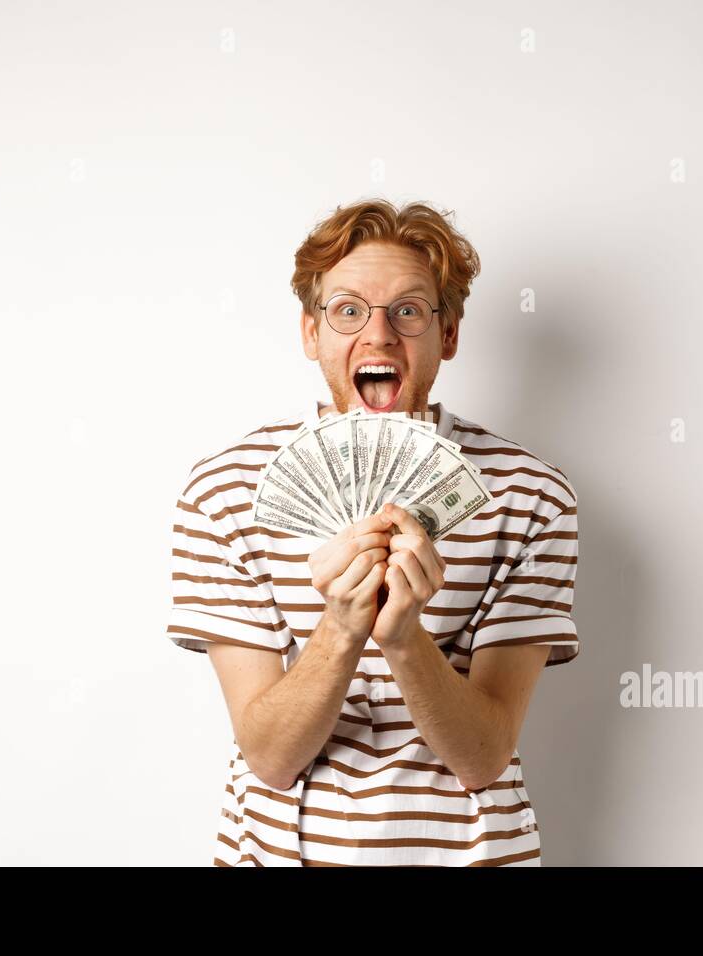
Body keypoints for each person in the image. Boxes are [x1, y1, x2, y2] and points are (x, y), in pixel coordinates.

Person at [166, 198, 580, 865]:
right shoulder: (224, 492)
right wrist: (341, 625)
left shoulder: (531, 496)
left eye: (409, 310)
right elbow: (270, 756)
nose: (380, 336)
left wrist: (405, 639)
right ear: (311, 333)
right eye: (349, 310)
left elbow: (482, 759)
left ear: (448, 335)